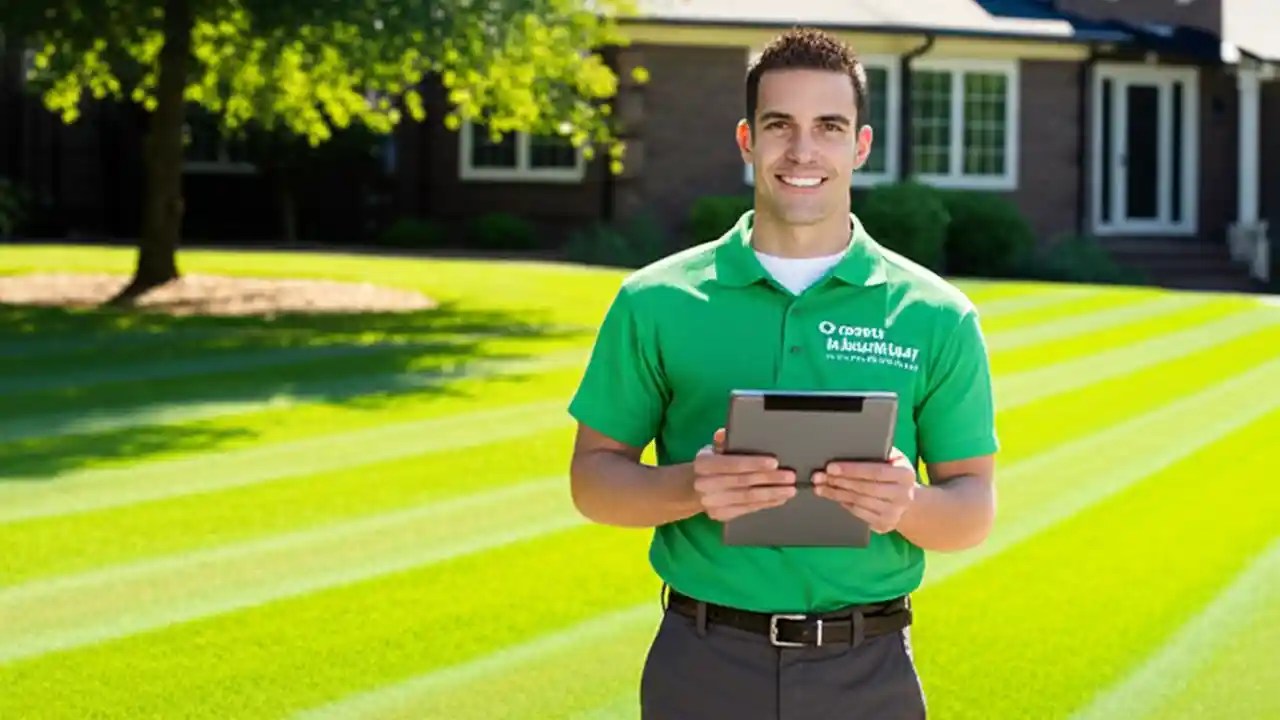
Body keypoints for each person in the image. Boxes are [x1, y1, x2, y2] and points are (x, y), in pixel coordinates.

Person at [566, 26, 999, 720]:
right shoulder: (655, 302)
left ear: (860, 145)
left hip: (870, 671)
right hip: (701, 664)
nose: (802, 151)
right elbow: (593, 480)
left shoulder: (937, 315)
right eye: (779, 126)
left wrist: (905, 504)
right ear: (747, 140)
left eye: (828, 126)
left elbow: (972, 505)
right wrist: (692, 486)